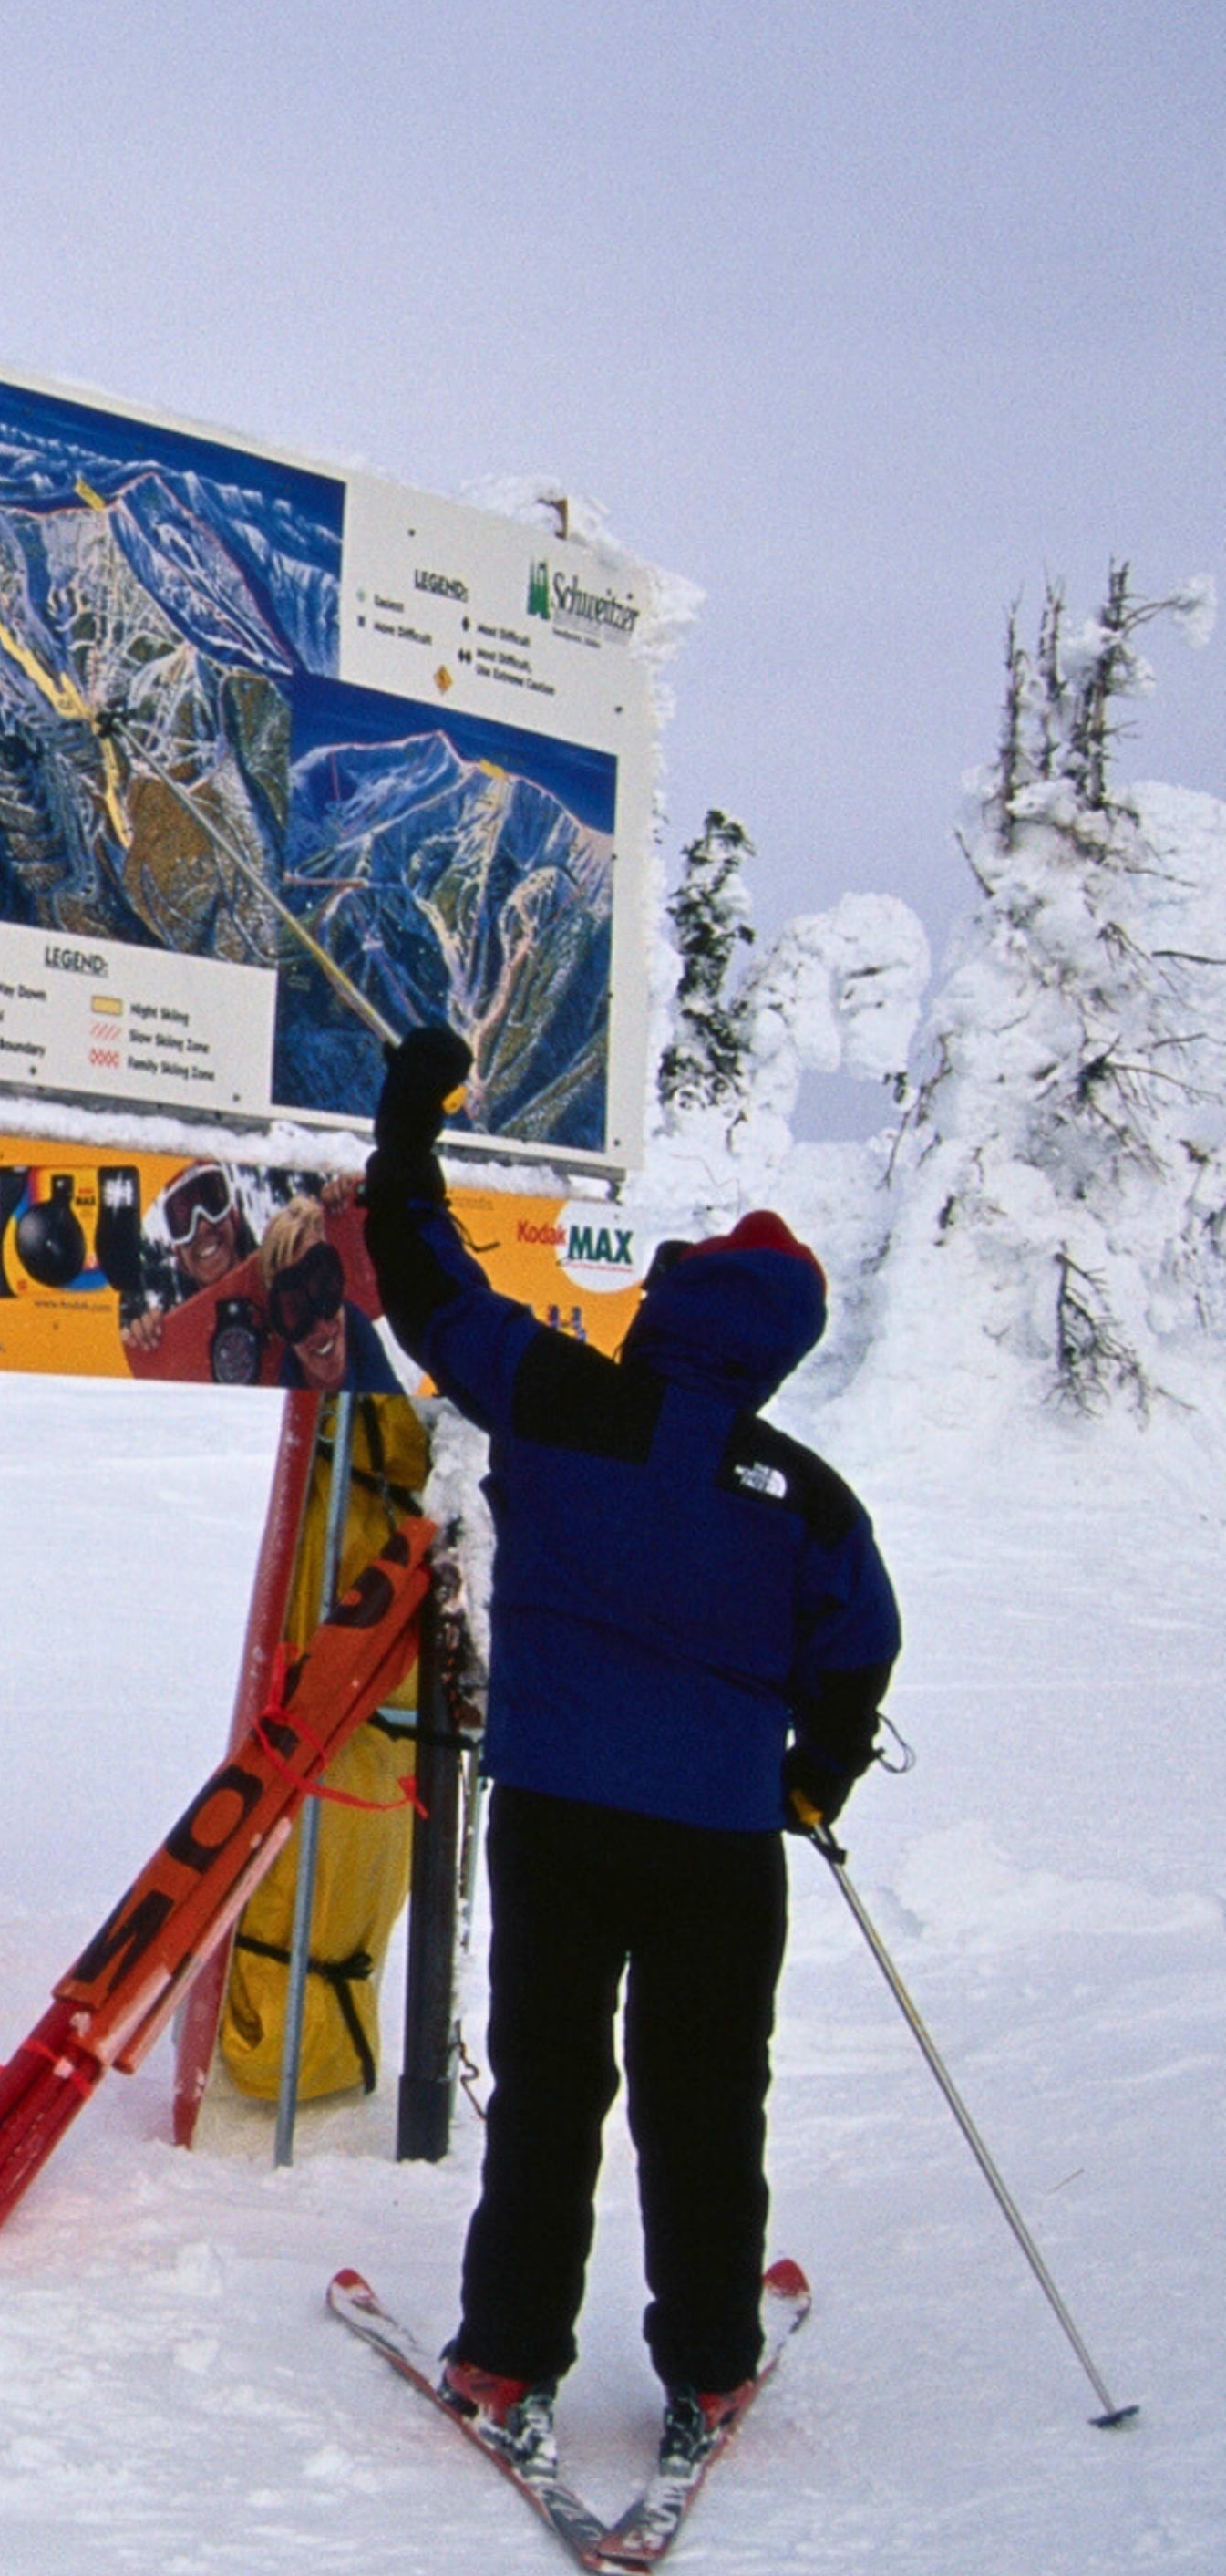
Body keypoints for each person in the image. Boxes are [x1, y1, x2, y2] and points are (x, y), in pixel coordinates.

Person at [361, 1025, 901, 2486]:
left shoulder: (560, 1393)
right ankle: (711, 2366)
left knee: (550, 2088)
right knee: (705, 2100)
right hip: (720, 1844)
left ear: (672, 1305)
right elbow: (857, 1651)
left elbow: (426, 1283)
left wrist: (409, 1121)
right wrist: (818, 1774)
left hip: (555, 1818)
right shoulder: (806, 1494)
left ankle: (506, 2352)